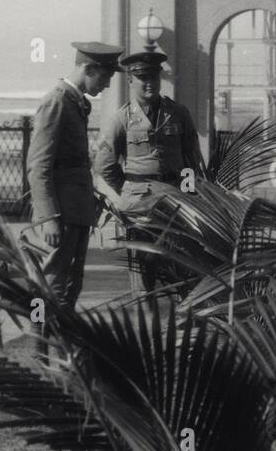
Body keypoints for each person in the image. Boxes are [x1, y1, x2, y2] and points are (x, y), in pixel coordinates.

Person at [93, 48, 204, 293]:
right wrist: (129, 188)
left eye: (154, 77)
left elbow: (191, 158)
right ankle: (145, 313)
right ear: (132, 80)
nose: (150, 83)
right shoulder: (121, 119)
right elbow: (103, 164)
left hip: (175, 199)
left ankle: (181, 318)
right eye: (143, 78)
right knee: (143, 267)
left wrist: (189, 194)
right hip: (139, 203)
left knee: (182, 261)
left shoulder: (178, 113)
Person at [24, 42, 121, 313]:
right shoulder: (56, 101)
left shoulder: (74, 102)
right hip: (60, 217)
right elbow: (38, 165)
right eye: (105, 76)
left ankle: (59, 349)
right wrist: (49, 218)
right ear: (88, 68)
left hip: (75, 214)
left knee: (69, 286)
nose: (107, 85)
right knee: (50, 286)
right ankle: (40, 350)